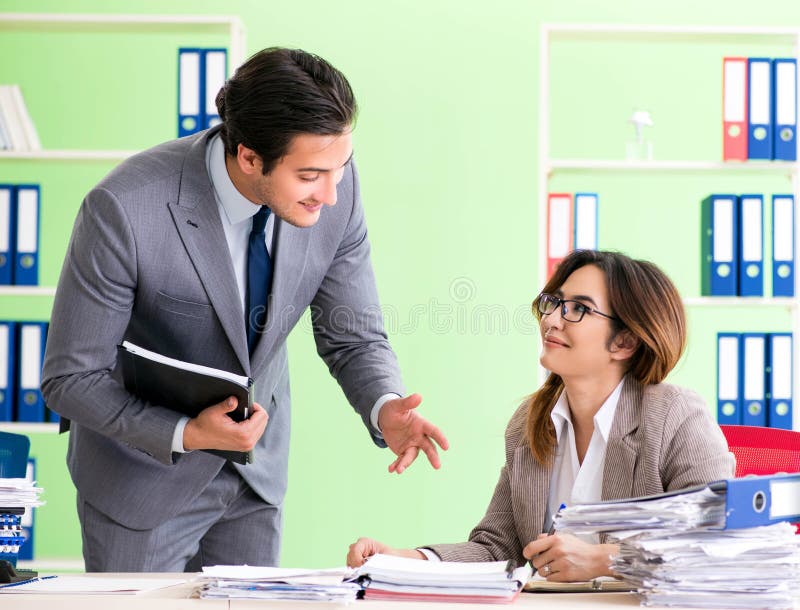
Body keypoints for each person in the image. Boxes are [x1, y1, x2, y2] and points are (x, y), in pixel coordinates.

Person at [41, 47, 448, 572]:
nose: (330, 194)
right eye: (310, 176)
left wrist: (384, 404)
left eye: (340, 168)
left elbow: (352, 334)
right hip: (141, 480)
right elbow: (71, 378)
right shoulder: (125, 208)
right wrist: (187, 433)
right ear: (250, 157)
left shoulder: (334, 190)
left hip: (256, 481)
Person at [346, 249, 734, 582]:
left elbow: (718, 540)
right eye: (554, 303)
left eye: (578, 309)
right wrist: (407, 560)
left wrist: (605, 560)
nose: (551, 320)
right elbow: (497, 549)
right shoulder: (529, 422)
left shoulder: (675, 416)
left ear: (625, 340)